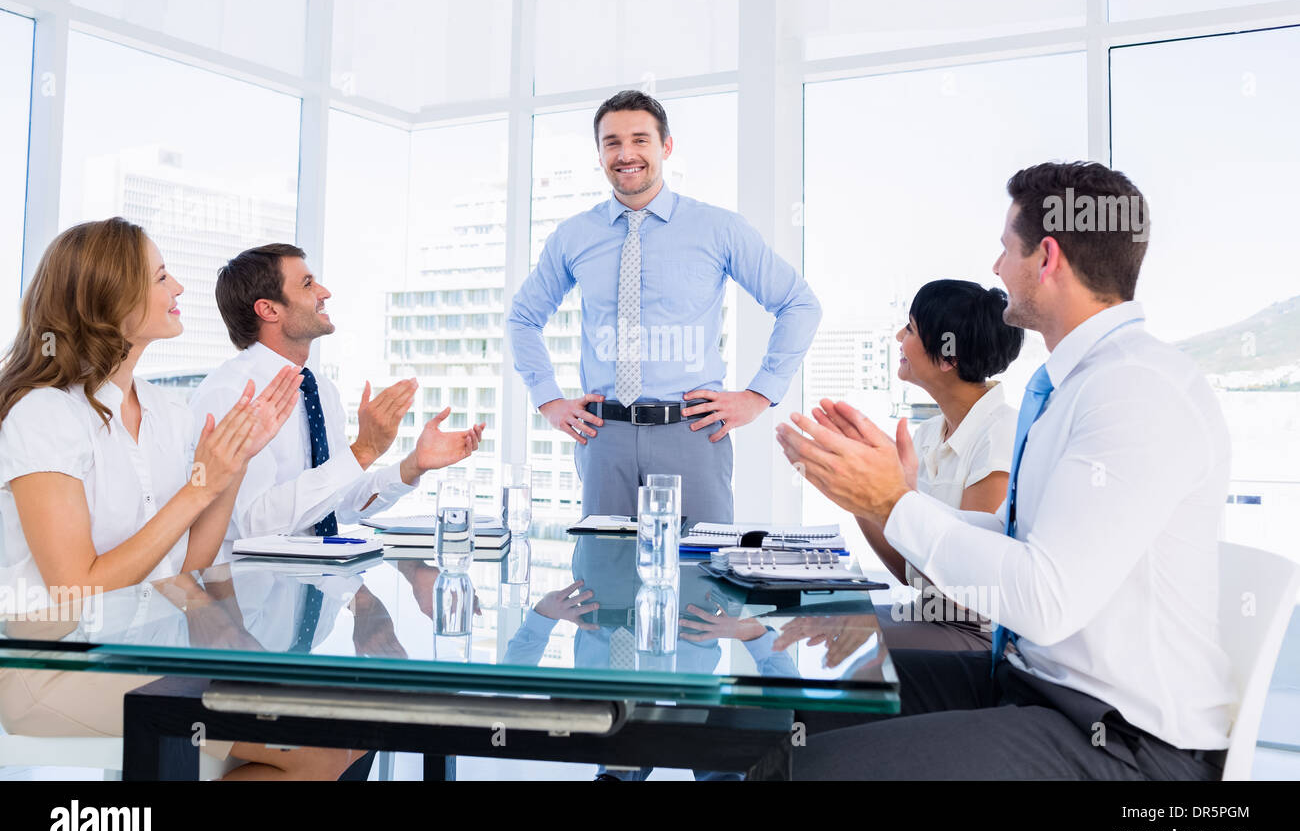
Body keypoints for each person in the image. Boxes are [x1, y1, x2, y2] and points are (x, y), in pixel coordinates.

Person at [775, 162, 1235, 779]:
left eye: (1004, 248)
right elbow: (1016, 545)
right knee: (786, 708)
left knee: (815, 771)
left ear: (1046, 258)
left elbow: (1044, 599)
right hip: (1028, 686)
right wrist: (884, 490)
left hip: (1127, 743)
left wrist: (893, 503)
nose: (996, 269)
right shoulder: (1073, 385)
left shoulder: (1136, 390)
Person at [0, 218, 359, 779]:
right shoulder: (45, 413)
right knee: (319, 746)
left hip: (151, 645)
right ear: (108, 298)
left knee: (349, 725)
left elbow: (188, 568)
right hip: (53, 664)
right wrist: (200, 485)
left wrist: (232, 467)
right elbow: (82, 584)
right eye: (161, 277)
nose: (179, 290)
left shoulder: (168, 413)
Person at [507, 90, 821, 523]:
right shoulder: (573, 236)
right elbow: (523, 318)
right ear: (599, 154)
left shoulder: (719, 228)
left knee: (700, 579)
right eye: (612, 142)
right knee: (604, 578)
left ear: (665, 147)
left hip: (691, 434)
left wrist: (759, 394)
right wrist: (548, 399)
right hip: (604, 437)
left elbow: (798, 304)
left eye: (640, 140)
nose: (625, 154)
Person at [189, 244, 484, 559]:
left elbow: (341, 502)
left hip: (314, 585)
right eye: (307, 284)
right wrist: (363, 450)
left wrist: (413, 465)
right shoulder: (231, 393)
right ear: (270, 310)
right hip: (255, 592)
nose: (324, 292)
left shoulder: (319, 389)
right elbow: (254, 524)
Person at [849, 279, 1022, 651]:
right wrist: (860, 496)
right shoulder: (928, 434)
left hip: (977, 637)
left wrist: (892, 500)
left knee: (843, 635)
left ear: (948, 357)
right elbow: (912, 573)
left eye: (910, 328)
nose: (899, 335)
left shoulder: (999, 438)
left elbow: (968, 593)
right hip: (929, 618)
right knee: (823, 619)